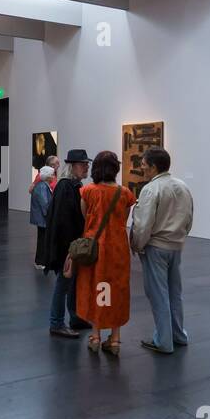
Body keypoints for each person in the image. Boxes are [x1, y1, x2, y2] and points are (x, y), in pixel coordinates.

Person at [129, 147, 193, 354]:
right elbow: (189, 217)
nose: (142, 169)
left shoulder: (151, 189)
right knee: (175, 292)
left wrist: (137, 244)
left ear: (154, 166)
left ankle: (163, 341)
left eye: (144, 165)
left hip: (156, 246)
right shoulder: (182, 186)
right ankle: (178, 335)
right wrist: (180, 237)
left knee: (158, 294)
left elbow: (143, 223)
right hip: (176, 245)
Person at [72, 150, 135, 356]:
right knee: (115, 288)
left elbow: (84, 216)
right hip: (117, 248)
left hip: (95, 247)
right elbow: (123, 219)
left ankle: (95, 335)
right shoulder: (125, 193)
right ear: (115, 169)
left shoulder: (88, 191)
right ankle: (115, 338)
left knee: (97, 287)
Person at [42, 150, 93, 338]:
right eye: (83, 164)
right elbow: (63, 222)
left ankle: (76, 317)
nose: (87, 166)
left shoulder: (73, 185)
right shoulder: (66, 187)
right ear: (72, 166)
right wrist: (69, 252)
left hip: (72, 245)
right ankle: (56, 322)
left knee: (72, 283)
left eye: (87, 164)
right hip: (66, 246)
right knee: (63, 284)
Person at [30, 165, 55, 270]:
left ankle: (41, 261)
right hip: (43, 219)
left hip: (42, 218)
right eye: (52, 174)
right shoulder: (42, 187)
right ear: (48, 176)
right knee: (43, 240)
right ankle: (40, 261)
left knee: (42, 239)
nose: (54, 176)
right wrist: (50, 216)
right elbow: (45, 204)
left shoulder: (42, 186)